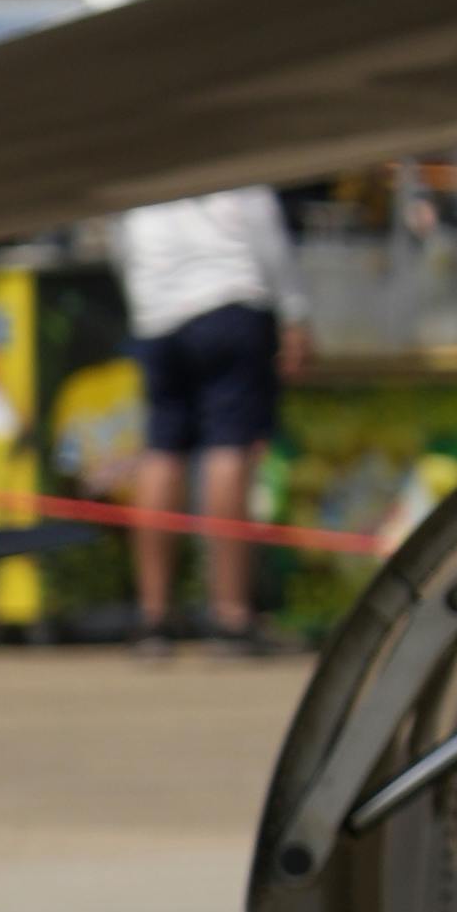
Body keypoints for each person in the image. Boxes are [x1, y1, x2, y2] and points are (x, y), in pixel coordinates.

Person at [111, 186, 304, 647]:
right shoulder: (227, 155)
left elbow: (121, 241)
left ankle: (154, 614)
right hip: (228, 301)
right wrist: (296, 311)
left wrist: (145, 303)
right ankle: (230, 613)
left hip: (157, 314)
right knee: (228, 451)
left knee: (161, 452)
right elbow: (263, 228)